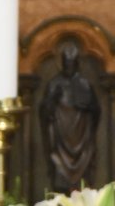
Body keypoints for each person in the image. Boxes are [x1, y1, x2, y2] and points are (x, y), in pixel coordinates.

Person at [40, 38, 101, 193]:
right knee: (60, 183)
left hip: (81, 142)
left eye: (72, 64)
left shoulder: (84, 84)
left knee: (82, 186)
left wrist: (88, 106)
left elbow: (96, 111)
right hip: (60, 142)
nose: (69, 67)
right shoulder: (54, 84)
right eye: (66, 64)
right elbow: (44, 113)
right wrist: (53, 100)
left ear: (76, 63)